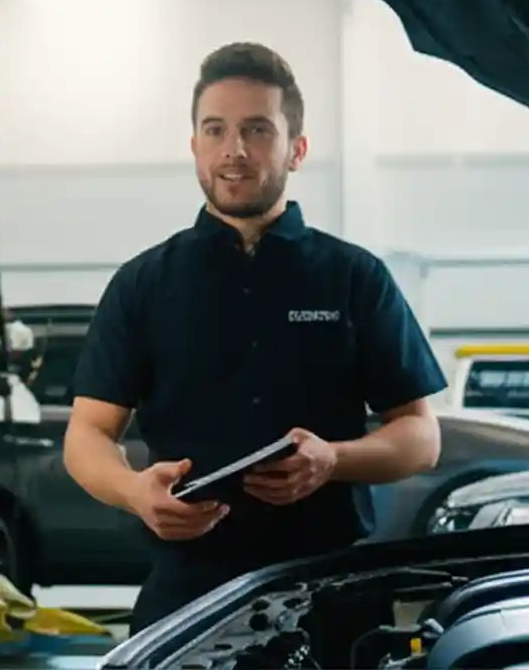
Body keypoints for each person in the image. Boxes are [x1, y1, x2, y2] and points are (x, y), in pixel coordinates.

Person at [62, 42, 448, 635]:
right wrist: (135, 492)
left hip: (329, 592)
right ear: (193, 145)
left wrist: (334, 460)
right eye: (214, 130)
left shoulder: (354, 277)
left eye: (257, 130)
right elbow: (87, 435)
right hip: (189, 594)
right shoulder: (144, 283)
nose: (233, 150)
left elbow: (421, 437)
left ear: (297, 148)